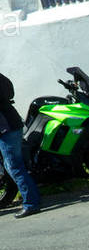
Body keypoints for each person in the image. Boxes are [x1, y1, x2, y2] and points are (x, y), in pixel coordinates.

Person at [0, 73, 41, 218]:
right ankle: (32, 197)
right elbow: (10, 91)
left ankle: (31, 203)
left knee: (15, 166)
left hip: (6, 128)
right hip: (12, 123)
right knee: (11, 166)